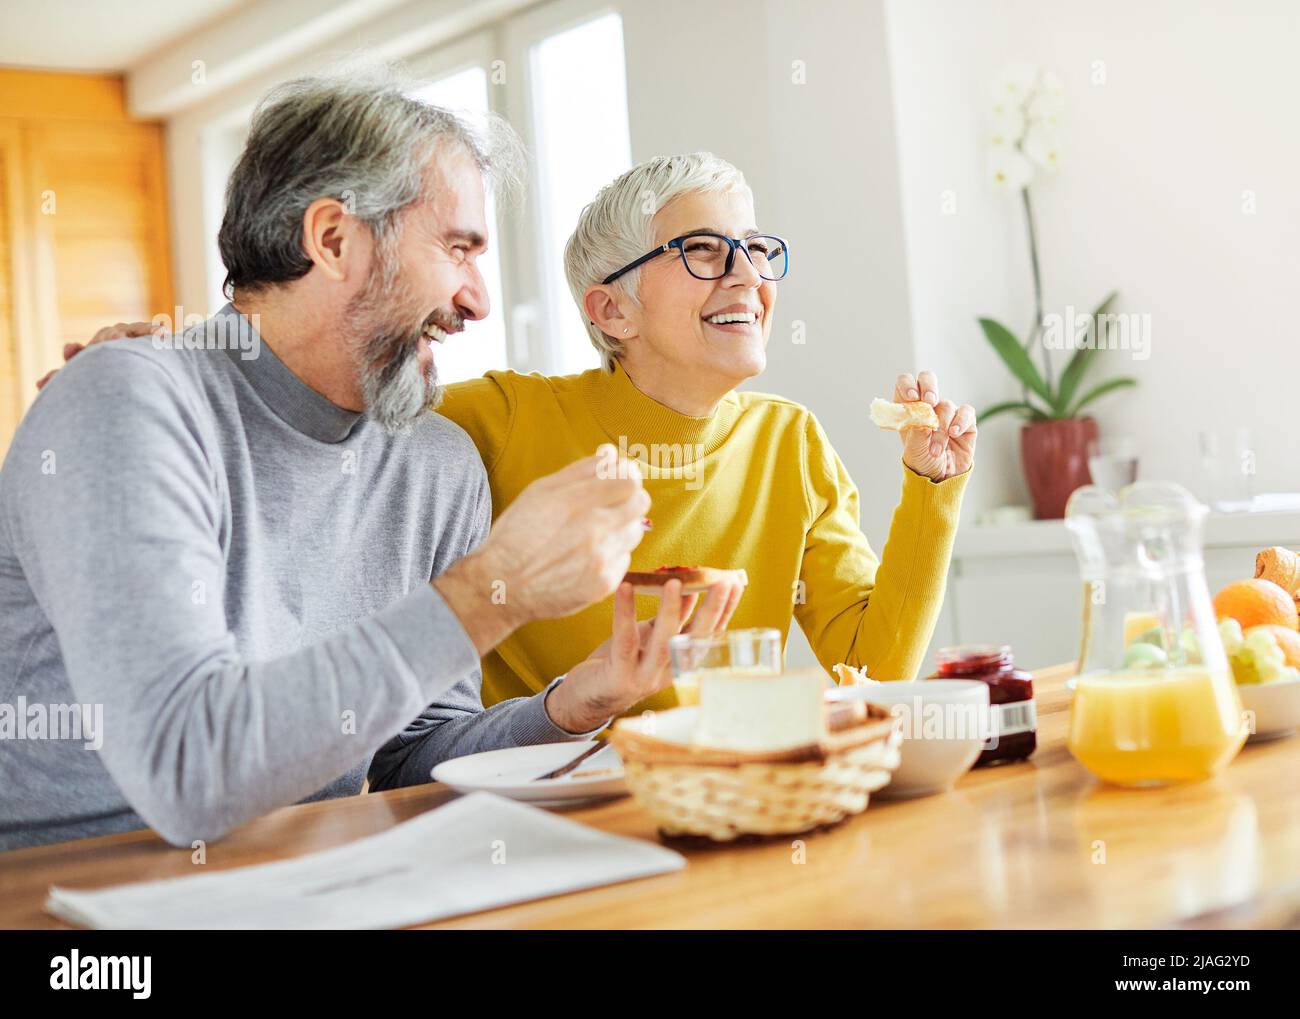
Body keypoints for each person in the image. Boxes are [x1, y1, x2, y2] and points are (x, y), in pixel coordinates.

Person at [0, 75, 738, 852]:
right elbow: (190, 770)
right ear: (332, 239)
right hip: (65, 892)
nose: (479, 300)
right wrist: (497, 591)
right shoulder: (129, 401)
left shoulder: (434, 461)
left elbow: (409, 760)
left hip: (294, 877)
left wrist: (574, 705)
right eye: (458, 248)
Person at [64, 152, 976, 719]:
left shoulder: (792, 443)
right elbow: (322, 397)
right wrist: (186, 358)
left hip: (720, 793)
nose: (746, 274)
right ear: (609, 308)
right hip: (529, 795)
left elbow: (872, 662)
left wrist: (931, 489)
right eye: (705, 250)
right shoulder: (499, 418)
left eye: (756, 248)